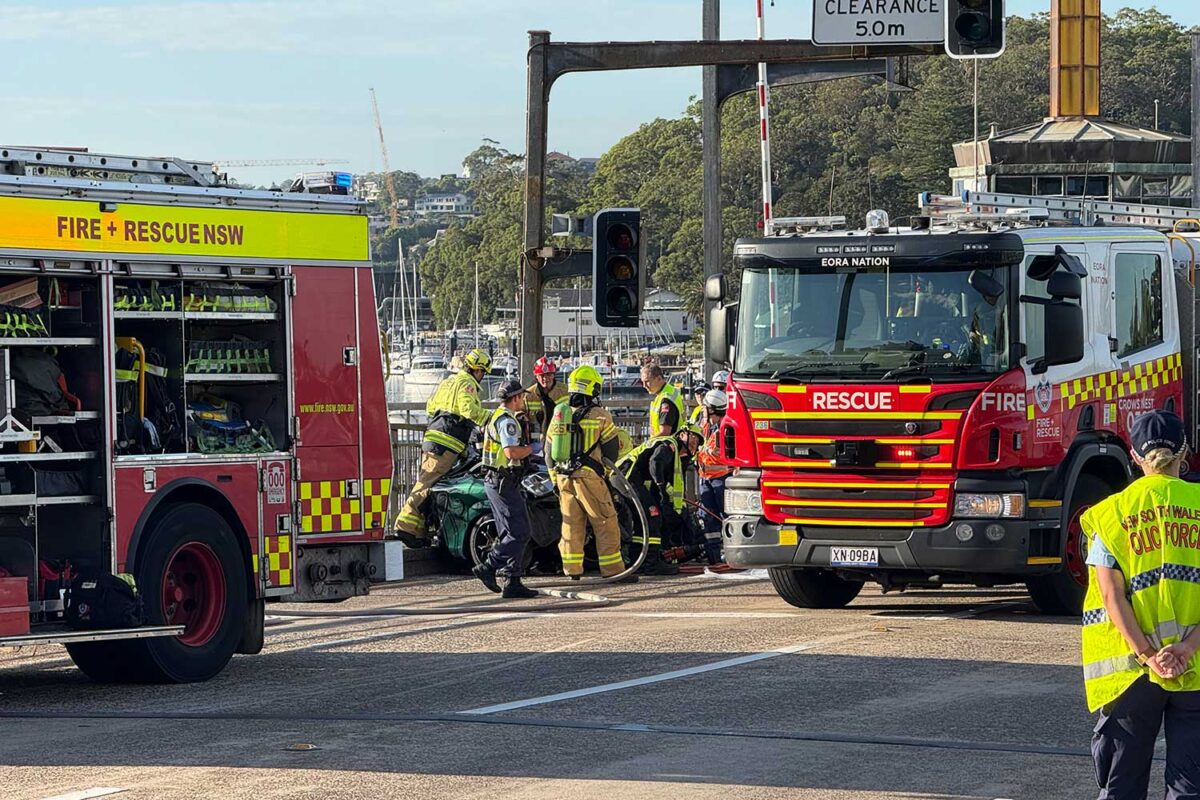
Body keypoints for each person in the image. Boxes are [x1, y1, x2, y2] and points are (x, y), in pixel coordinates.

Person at [1080, 410, 1200, 798]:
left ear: (1134, 457)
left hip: (1131, 673)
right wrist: (1186, 649)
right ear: (1187, 452)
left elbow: (1112, 596)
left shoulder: (1111, 514)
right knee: (1189, 788)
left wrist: (1148, 654)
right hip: (1196, 669)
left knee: (1122, 786)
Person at [393, 348, 491, 548]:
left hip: (433, 438)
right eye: (482, 373)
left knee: (434, 483)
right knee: (427, 484)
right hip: (447, 443)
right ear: (478, 370)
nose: (482, 377)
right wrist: (490, 417)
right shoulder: (467, 384)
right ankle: (405, 526)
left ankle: (419, 531)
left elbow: (430, 407)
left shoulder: (448, 382)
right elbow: (468, 410)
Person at [546, 365, 636, 582]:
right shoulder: (600, 416)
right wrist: (604, 473)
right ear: (593, 389)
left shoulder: (560, 413)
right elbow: (612, 450)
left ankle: (572, 570)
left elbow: (549, 452)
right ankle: (613, 570)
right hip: (589, 478)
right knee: (605, 522)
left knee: (572, 525)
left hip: (563, 477)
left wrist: (554, 480)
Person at [473, 380, 540, 599]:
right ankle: (488, 567)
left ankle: (513, 580)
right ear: (516, 398)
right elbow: (511, 452)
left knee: (508, 532)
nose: (524, 401)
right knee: (521, 531)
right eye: (522, 397)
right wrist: (533, 449)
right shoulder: (507, 421)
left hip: (497, 480)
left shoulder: (495, 416)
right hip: (503, 482)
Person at [617, 424, 703, 575]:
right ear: (682, 434)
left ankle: (638, 561)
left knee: (641, 520)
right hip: (627, 476)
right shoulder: (670, 445)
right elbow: (655, 462)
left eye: (697, 442)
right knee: (653, 516)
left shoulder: (677, 456)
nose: (694, 443)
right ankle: (651, 563)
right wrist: (661, 488)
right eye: (693, 437)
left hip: (624, 477)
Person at [696, 389, 730, 565]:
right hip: (706, 478)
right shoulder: (707, 426)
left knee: (726, 516)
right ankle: (713, 556)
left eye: (705, 408)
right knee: (708, 518)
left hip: (721, 478)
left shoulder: (725, 428)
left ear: (712, 409)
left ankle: (730, 553)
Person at [525, 356, 567, 437]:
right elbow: (519, 411)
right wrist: (520, 415)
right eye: (542, 375)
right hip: (537, 439)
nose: (545, 378)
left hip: (560, 437)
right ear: (536, 376)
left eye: (548, 374)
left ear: (554, 374)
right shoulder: (528, 395)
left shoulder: (565, 391)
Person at [641, 360, 684, 438]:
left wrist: (647, 445)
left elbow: (665, 432)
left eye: (647, 381)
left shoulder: (666, 400)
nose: (644, 386)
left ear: (659, 378)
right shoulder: (669, 391)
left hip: (667, 446)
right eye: (642, 382)